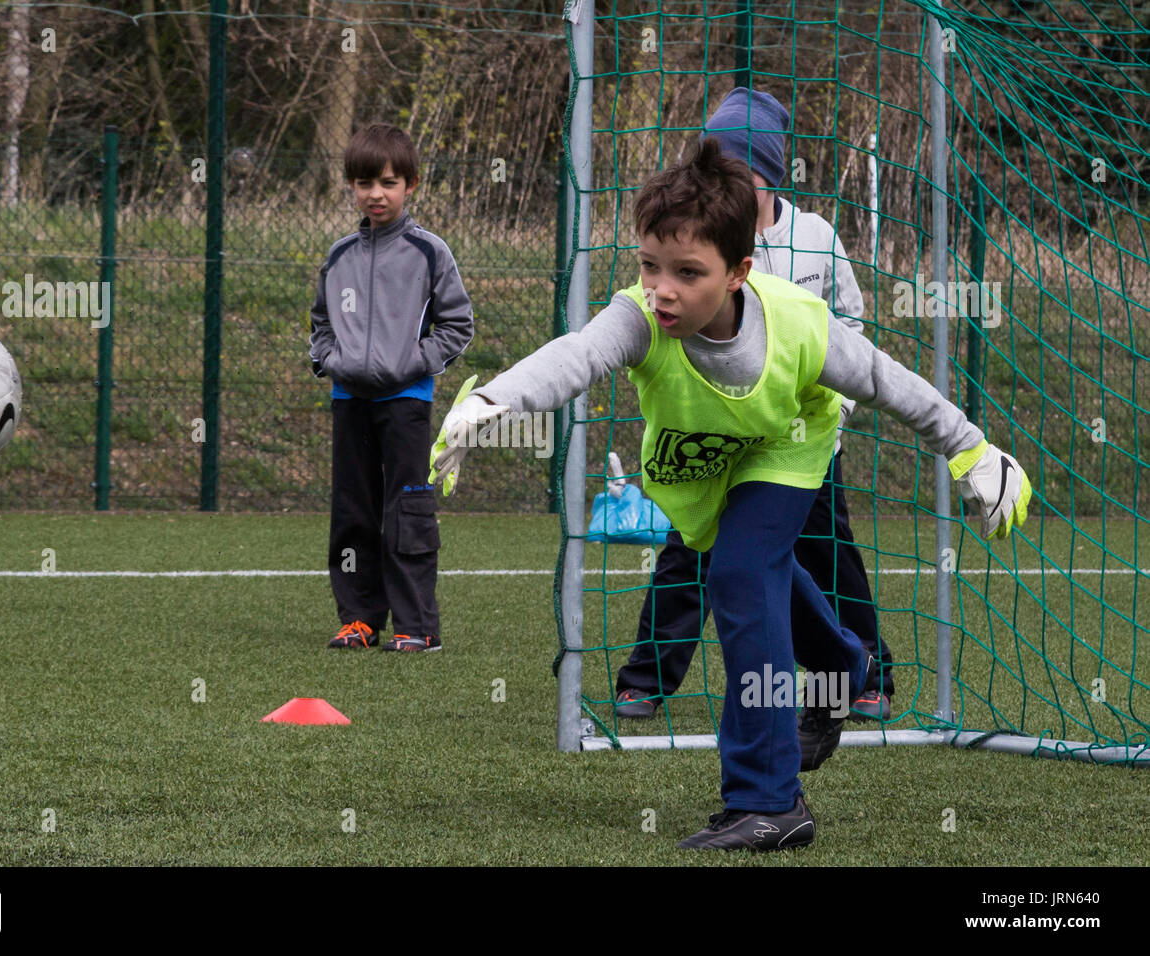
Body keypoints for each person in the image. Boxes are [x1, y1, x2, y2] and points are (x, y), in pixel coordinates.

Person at [433, 138, 1030, 850]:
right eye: (651, 265)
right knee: (744, 572)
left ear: (739, 272)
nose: (663, 288)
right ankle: (844, 664)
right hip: (705, 473)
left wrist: (970, 448)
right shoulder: (638, 317)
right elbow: (576, 356)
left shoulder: (800, 325)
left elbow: (886, 381)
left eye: (688, 272)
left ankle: (770, 802)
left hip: (786, 448)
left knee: (742, 574)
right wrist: (493, 402)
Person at [614, 87, 895, 732]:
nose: (734, 184)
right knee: (691, 550)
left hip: (802, 440)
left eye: (746, 173)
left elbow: (848, 326)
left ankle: (866, 674)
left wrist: (840, 403)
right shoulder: (695, 239)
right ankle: (647, 678)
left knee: (828, 550)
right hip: (718, 436)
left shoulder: (817, 239)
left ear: (771, 174)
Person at [308, 123, 474, 652]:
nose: (375, 194)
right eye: (363, 183)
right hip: (348, 401)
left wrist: (413, 362)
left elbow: (457, 324)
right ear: (351, 187)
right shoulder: (338, 257)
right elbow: (320, 324)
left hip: (406, 401)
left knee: (407, 512)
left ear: (411, 184)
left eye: (387, 182)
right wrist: (331, 361)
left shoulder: (430, 253)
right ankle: (358, 618)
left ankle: (416, 625)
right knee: (353, 511)